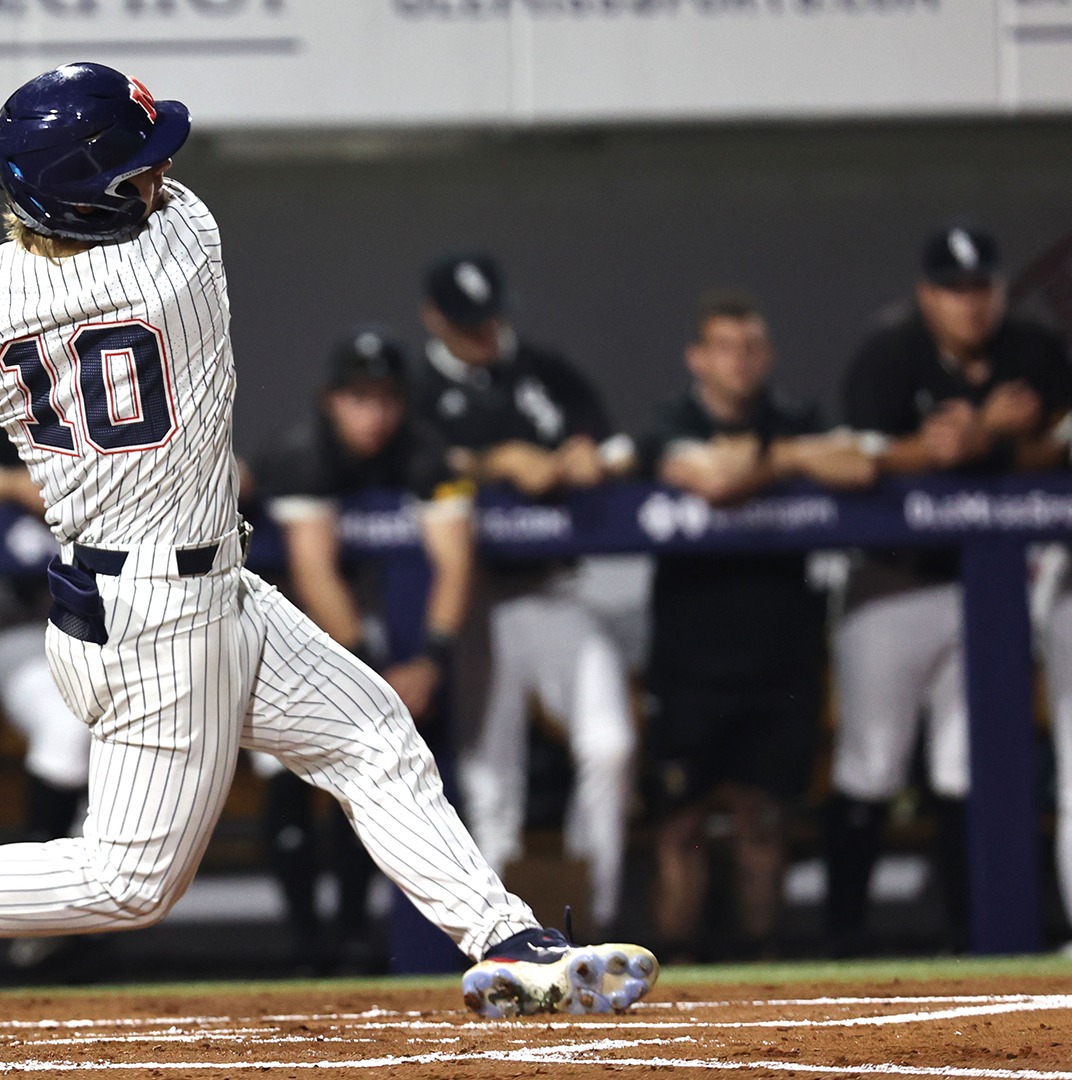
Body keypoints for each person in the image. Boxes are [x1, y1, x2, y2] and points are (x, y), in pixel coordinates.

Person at [0, 66, 657, 1034]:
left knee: (373, 736)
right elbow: (14, 169)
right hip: (158, 623)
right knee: (130, 881)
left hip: (170, 593)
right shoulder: (180, 254)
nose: (157, 177)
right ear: (91, 200)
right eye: (133, 173)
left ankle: (507, 942)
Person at [831, 224, 1072, 954]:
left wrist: (985, 442)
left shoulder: (1032, 350)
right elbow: (857, 457)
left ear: (1000, 289)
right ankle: (838, 942)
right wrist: (950, 446)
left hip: (986, 590)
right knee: (871, 765)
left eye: (982, 289)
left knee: (967, 763)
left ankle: (975, 940)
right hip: (892, 582)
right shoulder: (891, 351)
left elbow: (1053, 448)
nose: (971, 305)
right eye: (954, 290)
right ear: (926, 294)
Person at [637, 291, 874, 962]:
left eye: (750, 347)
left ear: (766, 356)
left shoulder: (794, 417)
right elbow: (708, 479)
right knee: (678, 830)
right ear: (697, 358)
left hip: (781, 662)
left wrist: (770, 457)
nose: (738, 361)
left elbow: (859, 464)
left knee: (763, 827)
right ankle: (667, 984)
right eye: (723, 348)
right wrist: (790, 460)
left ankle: (762, 978)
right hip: (689, 666)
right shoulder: (670, 421)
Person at [406, 251, 636, 934]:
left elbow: (622, 444)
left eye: (493, 316)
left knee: (611, 744)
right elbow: (413, 462)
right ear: (436, 319)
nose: (487, 332)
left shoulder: (543, 368)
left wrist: (590, 458)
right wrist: (494, 462)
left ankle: (599, 919)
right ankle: (497, 937)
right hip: (478, 598)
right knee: (489, 779)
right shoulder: (420, 388)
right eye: (470, 322)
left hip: (554, 587)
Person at [251, 328, 476, 974]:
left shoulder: (426, 451)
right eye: (358, 398)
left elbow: (454, 561)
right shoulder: (301, 452)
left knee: (365, 774)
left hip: (372, 629)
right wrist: (370, 678)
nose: (372, 415)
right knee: (286, 776)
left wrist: (431, 658)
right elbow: (313, 569)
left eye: (385, 399)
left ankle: (352, 935)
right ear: (331, 399)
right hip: (280, 623)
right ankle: (305, 944)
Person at [0, 392, 99, 974]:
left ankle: (77, 922)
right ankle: (36, 910)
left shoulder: (118, 384)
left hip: (116, 617)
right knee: (67, 732)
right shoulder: (8, 391)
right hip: (17, 616)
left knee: (114, 741)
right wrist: (18, 487)